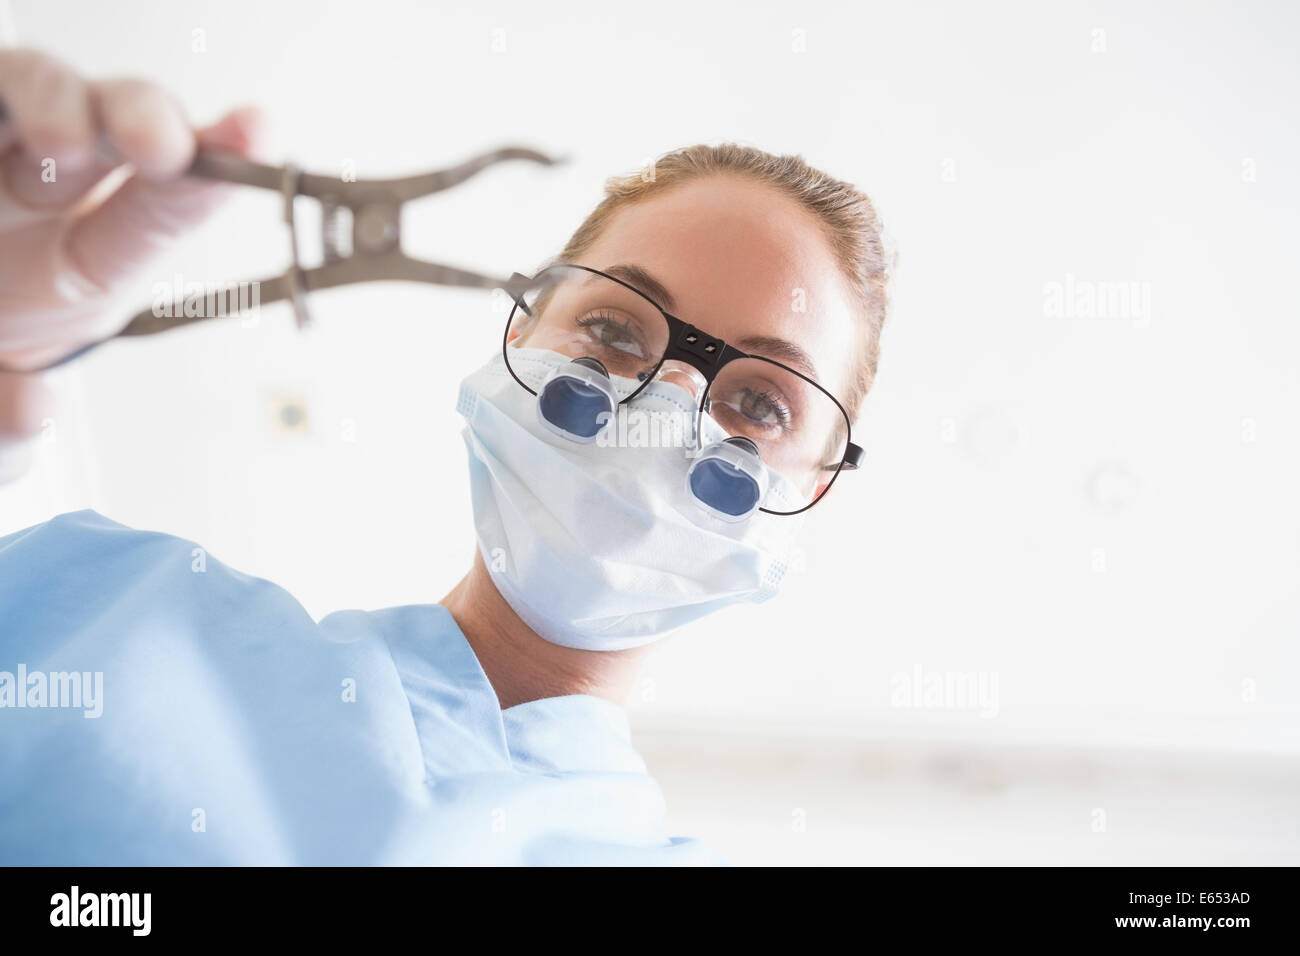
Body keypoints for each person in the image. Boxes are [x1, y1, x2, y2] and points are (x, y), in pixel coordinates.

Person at [0, 49, 891, 865]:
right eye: (616, 327)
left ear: (813, 487)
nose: (666, 407)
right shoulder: (102, 611)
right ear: (522, 331)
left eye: (759, 401)